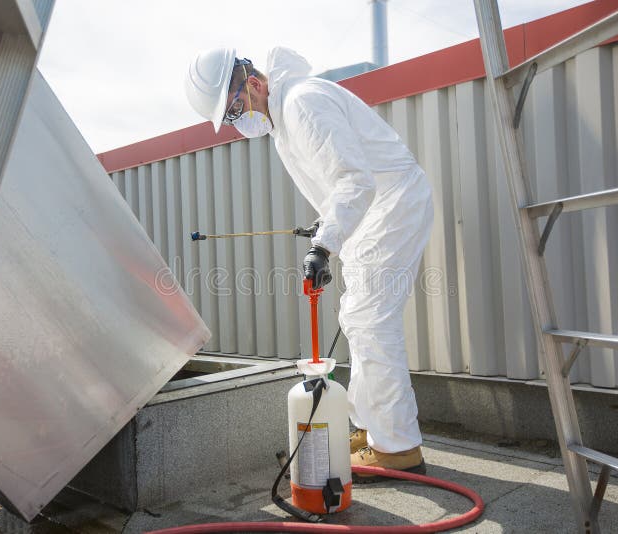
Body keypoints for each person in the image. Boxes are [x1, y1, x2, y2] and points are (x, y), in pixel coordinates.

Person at [185, 47, 434, 480]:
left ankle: (398, 447)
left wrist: (323, 245)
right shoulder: (286, 117)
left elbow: (355, 179)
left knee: (371, 322)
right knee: (358, 321)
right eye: (229, 118)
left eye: (235, 108)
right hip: (374, 213)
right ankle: (374, 431)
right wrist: (326, 228)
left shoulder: (301, 103)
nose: (237, 121)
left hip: (390, 208)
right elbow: (342, 179)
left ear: (254, 83)